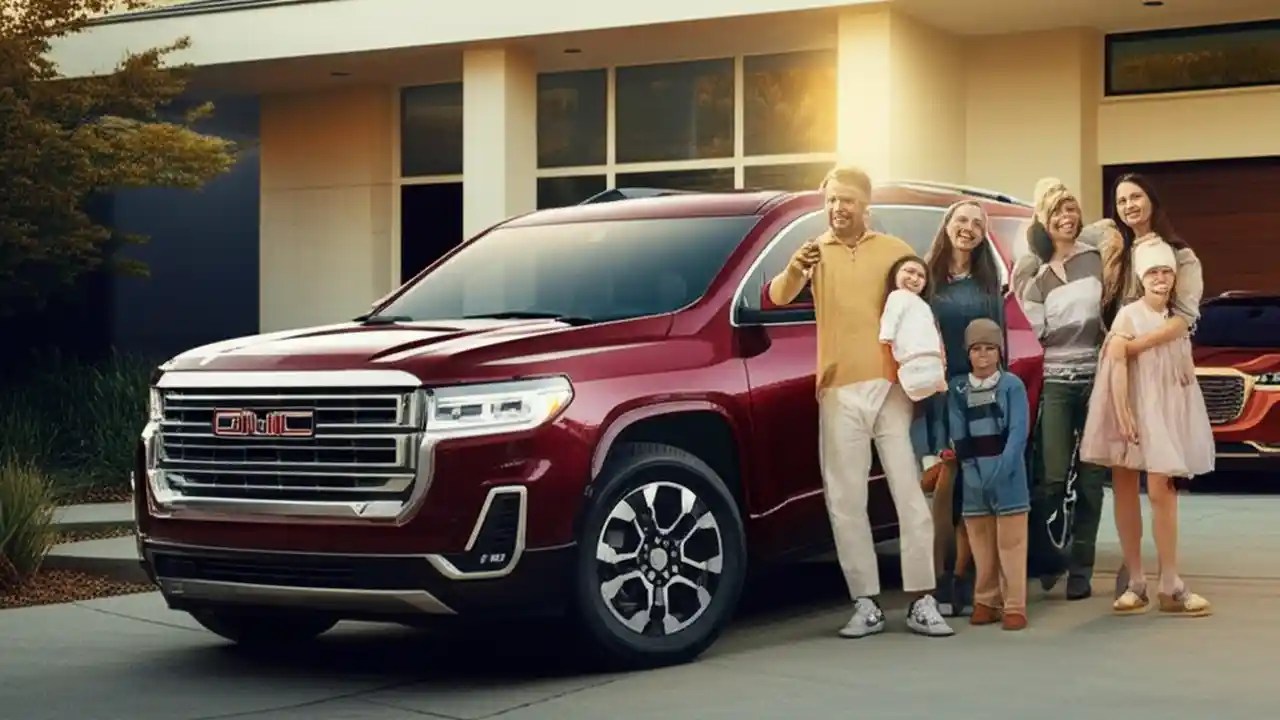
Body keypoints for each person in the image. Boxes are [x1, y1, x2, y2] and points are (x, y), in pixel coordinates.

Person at [768, 165, 953, 638]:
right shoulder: (814, 252)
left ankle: (922, 600)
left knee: (908, 494)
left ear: (865, 206)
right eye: (830, 200)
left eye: (846, 200)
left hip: (890, 388)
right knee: (845, 499)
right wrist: (796, 268)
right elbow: (777, 295)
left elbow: (919, 309)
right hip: (836, 389)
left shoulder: (895, 252)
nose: (837, 208)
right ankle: (865, 603)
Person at [1079, 238, 1214, 617]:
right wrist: (1122, 409)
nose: (1160, 278)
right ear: (1141, 277)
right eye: (1153, 272)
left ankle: (1170, 582)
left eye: (1166, 271)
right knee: (1125, 487)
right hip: (1133, 414)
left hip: (1165, 414)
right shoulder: (1129, 316)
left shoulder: (1175, 320)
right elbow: (1118, 363)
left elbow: (1181, 368)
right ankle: (1136, 581)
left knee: (1163, 492)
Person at [1094, 172, 1206, 599]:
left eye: (1135, 197)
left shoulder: (1181, 255)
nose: (1128, 206)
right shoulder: (1116, 255)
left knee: (1161, 480)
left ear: (1152, 201)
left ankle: (1170, 578)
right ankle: (1135, 578)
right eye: (1121, 201)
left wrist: (1132, 345)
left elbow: (1184, 318)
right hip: (1120, 376)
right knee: (1123, 475)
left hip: (1160, 369)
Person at [1010, 178, 1109, 600]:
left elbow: (1112, 310)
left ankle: (1081, 569)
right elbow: (1034, 331)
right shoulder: (1034, 274)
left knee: (1090, 480)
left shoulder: (1097, 259)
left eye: (1072, 211)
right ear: (1044, 223)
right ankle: (1051, 556)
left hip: (1098, 381)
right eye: (1058, 213)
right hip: (1056, 383)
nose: (1067, 218)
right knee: (1050, 479)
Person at [920, 200, 1007, 617]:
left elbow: (998, 346)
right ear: (947, 225)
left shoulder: (989, 284)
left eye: (977, 223)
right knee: (939, 490)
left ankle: (961, 578)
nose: (968, 228)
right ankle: (936, 580)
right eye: (961, 221)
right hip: (932, 397)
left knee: (972, 489)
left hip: (974, 393)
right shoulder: (926, 280)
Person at [946, 318, 1031, 631]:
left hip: (1009, 479)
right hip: (974, 479)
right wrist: (971, 471)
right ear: (968, 353)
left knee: (1011, 543)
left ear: (999, 352)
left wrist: (1002, 470)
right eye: (976, 349)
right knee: (981, 544)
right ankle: (986, 600)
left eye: (989, 349)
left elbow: (1018, 433)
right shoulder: (958, 388)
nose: (983, 355)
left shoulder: (1011, 385)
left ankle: (1014, 604)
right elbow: (959, 433)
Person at [879, 255, 949, 403]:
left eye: (921, 276)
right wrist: (887, 338)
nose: (914, 278)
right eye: (909, 272)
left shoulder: (924, 305)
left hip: (933, 360)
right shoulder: (897, 296)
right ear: (896, 274)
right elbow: (890, 322)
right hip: (912, 360)